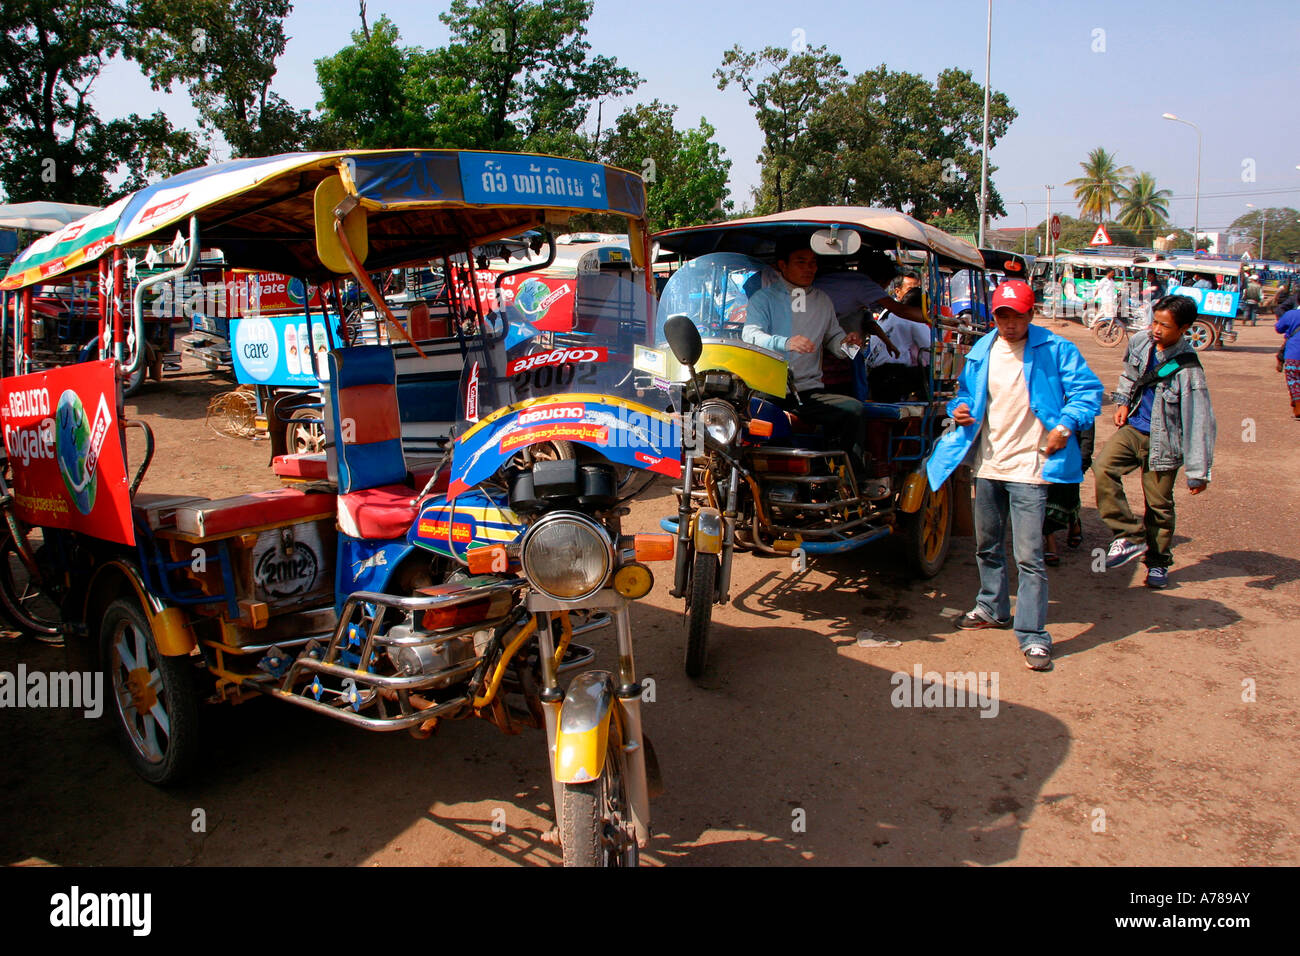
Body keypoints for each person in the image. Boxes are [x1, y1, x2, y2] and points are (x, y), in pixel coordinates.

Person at [925, 279, 1104, 671]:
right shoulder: (981, 349)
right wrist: (958, 409)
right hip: (989, 464)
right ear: (994, 316)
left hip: (1032, 467)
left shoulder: (1057, 349)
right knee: (986, 545)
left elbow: (1089, 393)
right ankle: (992, 607)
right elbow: (964, 395)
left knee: (1029, 556)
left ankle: (1034, 635)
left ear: (1031, 313)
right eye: (1003, 316)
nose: (1010, 324)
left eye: (1018, 316)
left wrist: (1065, 426)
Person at [1094, 295, 1217, 588]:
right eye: (1155, 321)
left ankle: (1158, 562)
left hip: (1166, 442)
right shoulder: (1140, 341)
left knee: (1159, 506)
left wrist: (1198, 471)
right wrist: (1122, 402)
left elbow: (1199, 421)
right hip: (1134, 429)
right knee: (1102, 469)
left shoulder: (1189, 370)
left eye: (1165, 325)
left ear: (1184, 328)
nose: (1156, 329)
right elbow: (1130, 375)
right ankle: (1127, 535)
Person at [742, 237, 870, 474]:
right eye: (801, 262)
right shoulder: (764, 299)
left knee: (854, 411)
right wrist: (786, 342)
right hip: (768, 389)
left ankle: (846, 479)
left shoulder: (822, 301)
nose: (809, 268)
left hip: (808, 393)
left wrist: (849, 345)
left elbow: (834, 340)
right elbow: (750, 335)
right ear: (782, 265)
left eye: (813, 262)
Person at [865, 286, 932, 401]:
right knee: (931, 373)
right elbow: (929, 350)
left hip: (873, 373)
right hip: (892, 374)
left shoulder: (887, 314)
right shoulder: (913, 319)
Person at [1275, 301, 1300, 420]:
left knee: (1294, 381)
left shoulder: (1291, 314)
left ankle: (1298, 407)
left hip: (1294, 355)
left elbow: (1279, 328)